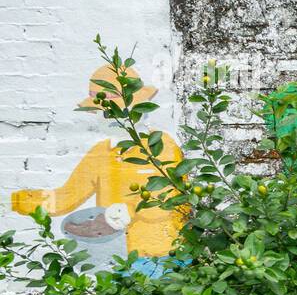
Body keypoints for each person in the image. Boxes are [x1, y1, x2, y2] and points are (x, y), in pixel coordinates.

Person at [11, 65, 183, 258]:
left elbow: (173, 200)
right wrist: (17, 201)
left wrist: (124, 212)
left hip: (164, 254)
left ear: (140, 108)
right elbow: (66, 197)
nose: (115, 118)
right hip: (118, 257)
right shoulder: (101, 153)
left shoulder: (163, 146)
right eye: (107, 113)